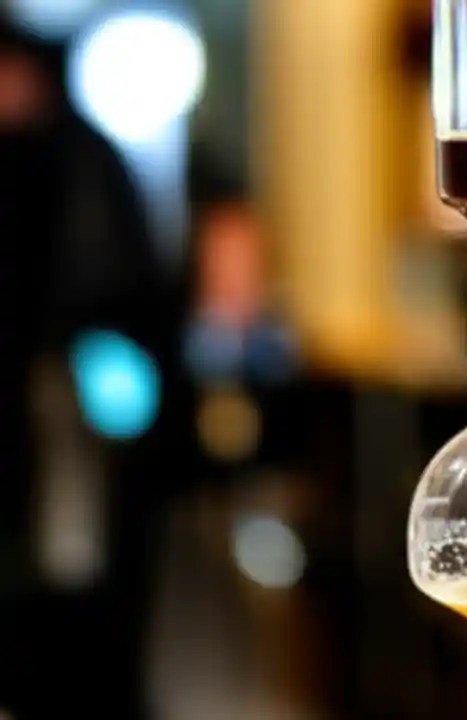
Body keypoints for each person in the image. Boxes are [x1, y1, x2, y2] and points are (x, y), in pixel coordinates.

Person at [0, 20, 187, 718]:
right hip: (72, 403)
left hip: (81, 405)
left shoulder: (72, 156)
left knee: (82, 560)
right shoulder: (58, 154)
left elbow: (100, 290)